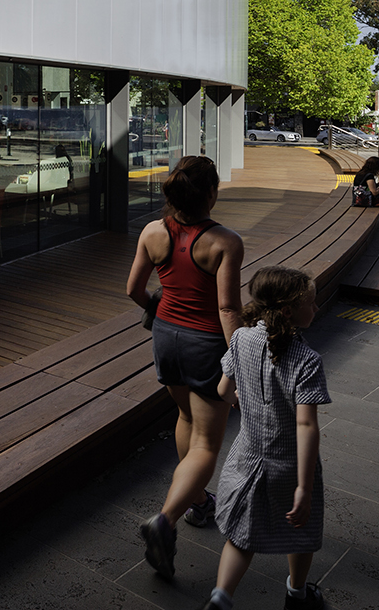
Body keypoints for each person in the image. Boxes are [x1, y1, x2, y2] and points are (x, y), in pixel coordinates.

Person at [128, 154, 245, 581]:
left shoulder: (152, 231)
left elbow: (134, 290)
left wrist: (159, 311)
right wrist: (239, 359)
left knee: (184, 417)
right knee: (206, 445)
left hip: (166, 339)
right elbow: (228, 308)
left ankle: (197, 502)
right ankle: (166, 519)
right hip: (205, 344)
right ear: (211, 193)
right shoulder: (224, 242)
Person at [197, 267, 330, 610]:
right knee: (301, 532)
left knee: (243, 534)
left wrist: (246, 394)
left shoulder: (241, 338)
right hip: (288, 466)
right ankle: (297, 596)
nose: (316, 308)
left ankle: (221, 596)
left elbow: (224, 391)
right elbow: (305, 426)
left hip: (248, 456)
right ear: (288, 311)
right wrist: (304, 486)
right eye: (311, 304)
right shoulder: (306, 361)